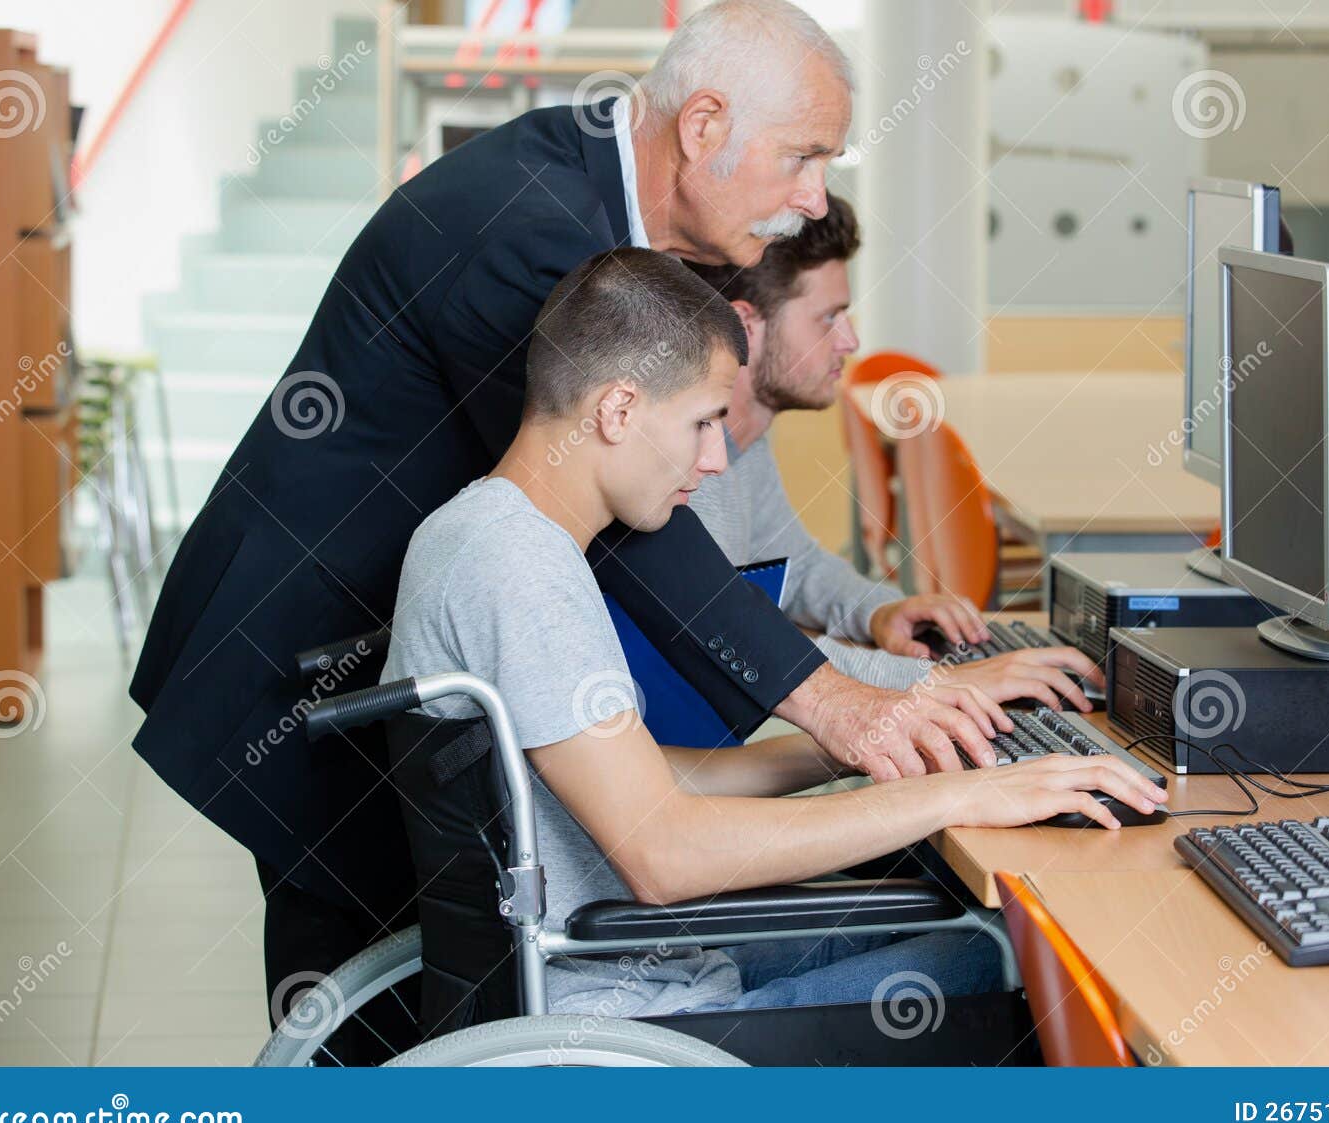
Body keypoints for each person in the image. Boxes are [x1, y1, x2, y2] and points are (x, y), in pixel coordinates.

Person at [125, 0, 1011, 1044]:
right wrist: (847, 706)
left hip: (407, 646)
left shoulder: (593, 210)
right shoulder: (527, 228)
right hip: (302, 652)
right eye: (803, 156)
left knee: (442, 979)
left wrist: (879, 707)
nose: (811, 196)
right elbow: (644, 533)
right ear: (703, 125)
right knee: (360, 987)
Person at [381, 247, 1168, 1016]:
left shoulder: (487, 533)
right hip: (623, 1024)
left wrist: (846, 747)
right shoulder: (520, 567)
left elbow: (651, 785)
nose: (718, 458)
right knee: (1021, 959)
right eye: (702, 421)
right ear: (618, 410)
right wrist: (964, 793)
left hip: (635, 962)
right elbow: (665, 853)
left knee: (986, 929)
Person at [687, 194, 1106, 708]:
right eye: (828, 317)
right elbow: (730, 642)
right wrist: (936, 684)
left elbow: (796, 568)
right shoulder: (687, 471)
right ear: (743, 326)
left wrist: (880, 612)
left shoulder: (746, 442)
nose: (850, 340)